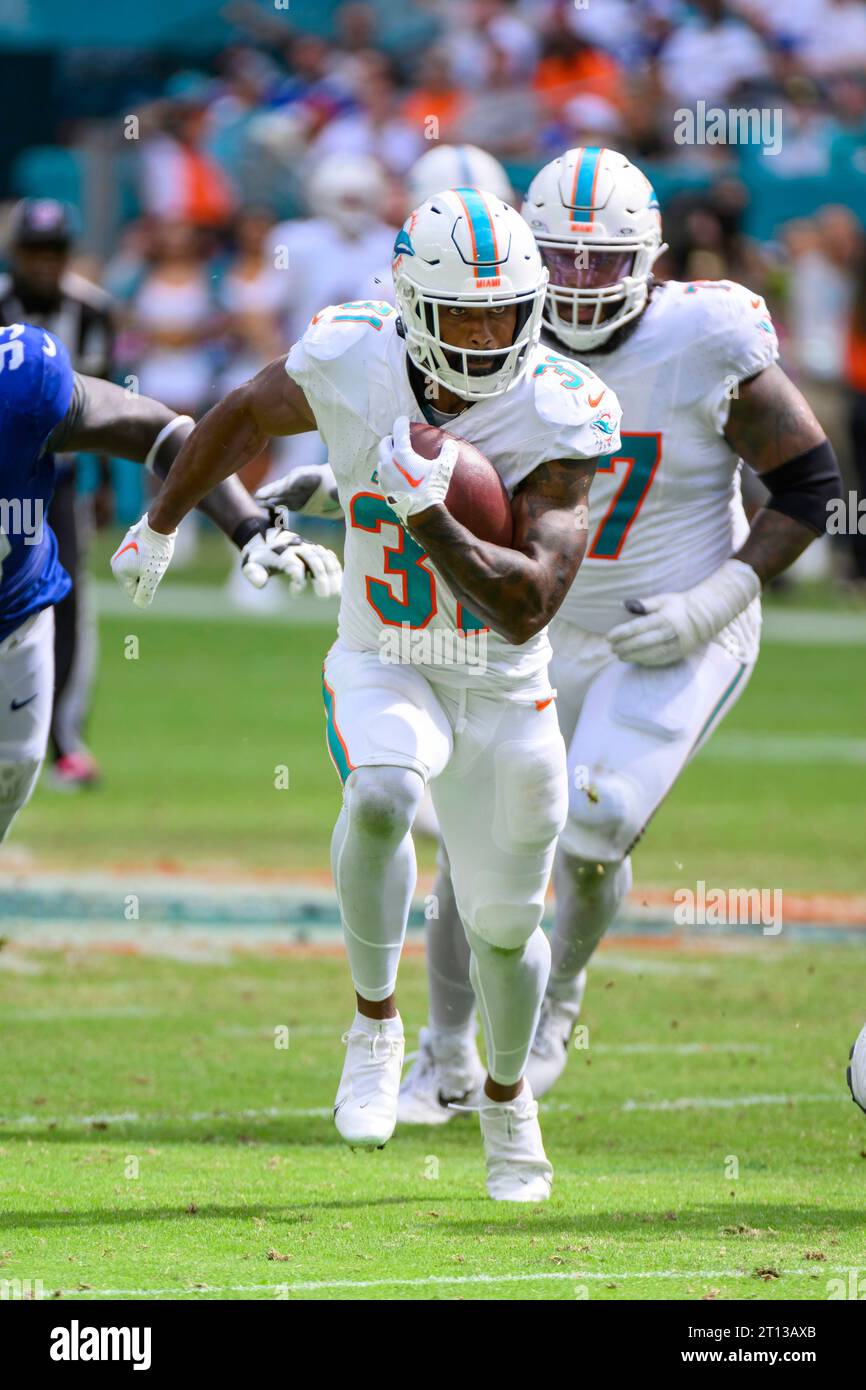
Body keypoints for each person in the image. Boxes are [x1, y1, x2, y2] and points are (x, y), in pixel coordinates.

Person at [109, 186, 622, 1202]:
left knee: (505, 927)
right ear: (410, 308)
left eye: (504, 314)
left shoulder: (562, 407)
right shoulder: (353, 352)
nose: (485, 338)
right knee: (382, 791)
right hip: (383, 651)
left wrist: (425, 516)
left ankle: (508, 1099)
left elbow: (529, 605)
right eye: (462, 316)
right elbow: (242, 414)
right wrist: (163, 521)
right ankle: (373, 1024)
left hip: (503, 683)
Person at [389, 147, 842, 1119]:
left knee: (587, 828)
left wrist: (713, 599)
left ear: (652, 256)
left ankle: (555, 1007)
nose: (582, 281)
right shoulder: (496, 332)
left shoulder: (705, 332)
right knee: (479, 842)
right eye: (563, 258)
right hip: (535, 632)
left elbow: (810, 484)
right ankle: (445, 1049)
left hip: (669, 627)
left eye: (603, 260)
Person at [0, 321, 340, 844]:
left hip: (16, 621)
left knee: (11, 779)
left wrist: (249, 527)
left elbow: (155, 431)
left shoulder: (19, 382)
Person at [0, 199, 115, 788]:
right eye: (35, 253)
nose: (45, 265)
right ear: (16, 253)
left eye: (56, 253)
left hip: (61, 481)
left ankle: (63, 735)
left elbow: (106, 404)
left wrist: (96, 484)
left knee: (67, 597)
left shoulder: (91, 310)